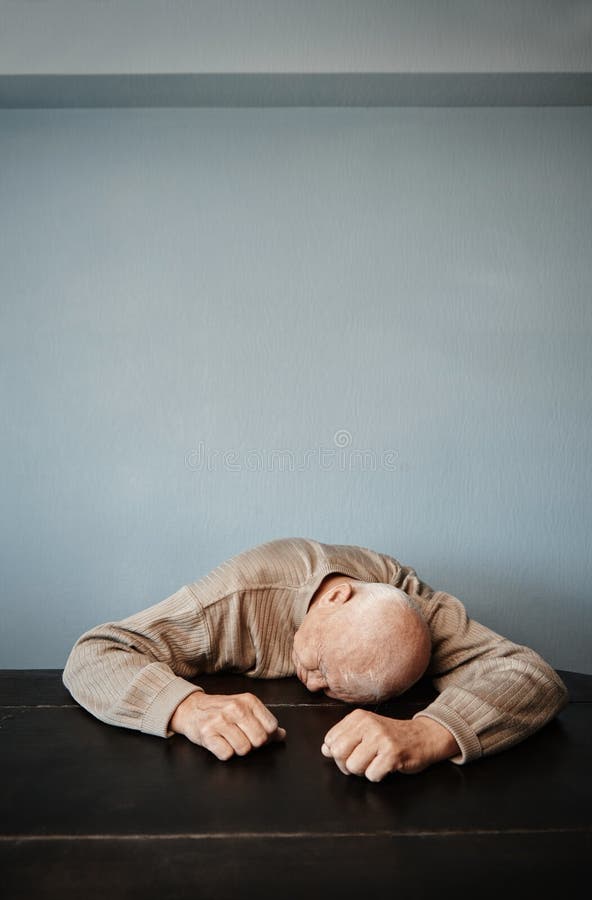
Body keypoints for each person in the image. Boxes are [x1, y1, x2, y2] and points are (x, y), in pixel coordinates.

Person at [62, 536, 568, 782]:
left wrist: (427, 733)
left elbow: (532, 676)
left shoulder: (417, 609)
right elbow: (94, 653)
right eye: (320, 666)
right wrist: (188, 708)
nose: (317, 687)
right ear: (335, 597)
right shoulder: (232, 599)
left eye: (340, 687)